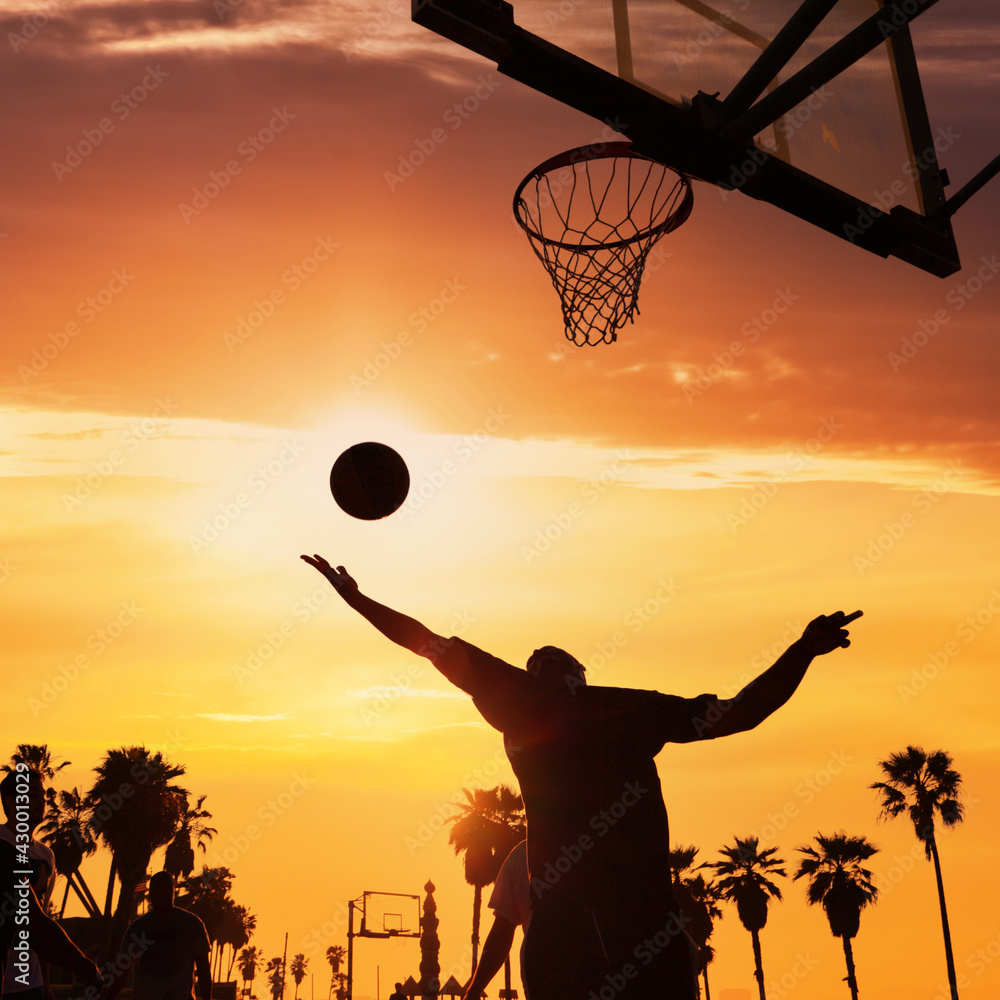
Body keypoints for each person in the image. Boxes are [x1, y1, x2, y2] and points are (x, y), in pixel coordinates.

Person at [302, 555, 861, 1000]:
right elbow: (743, 711)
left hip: (619, 926)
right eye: (541, 663)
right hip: (607, 925)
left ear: (571, 676)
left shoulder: (545, 706)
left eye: (548, 661)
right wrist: (802, 651)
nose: (544, 660)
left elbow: (424, 642)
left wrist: (802, 651)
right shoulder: (599, 708)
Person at [0, 767, 103, 998]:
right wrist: (79, 963)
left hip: (30, 982)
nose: (42, 800)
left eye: (43, 794)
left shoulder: (46, 855)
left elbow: (41, 921)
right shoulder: (1, 846)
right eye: (32, 793)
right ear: (11, 801)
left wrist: (45, 983)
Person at [106, 871, 212, 1000]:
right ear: (150, 893)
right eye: (159, 888)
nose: (163, 893)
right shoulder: (138, 928)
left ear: (173, 892)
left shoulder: (192, 924)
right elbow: (122, 970)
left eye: (168, 888)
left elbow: (203, 969)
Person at [463, 840, 530, 1000]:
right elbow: (501, 934)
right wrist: (474, 990)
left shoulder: (521, 855)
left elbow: (502, 933)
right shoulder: (520, 856)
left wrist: (474, 991)